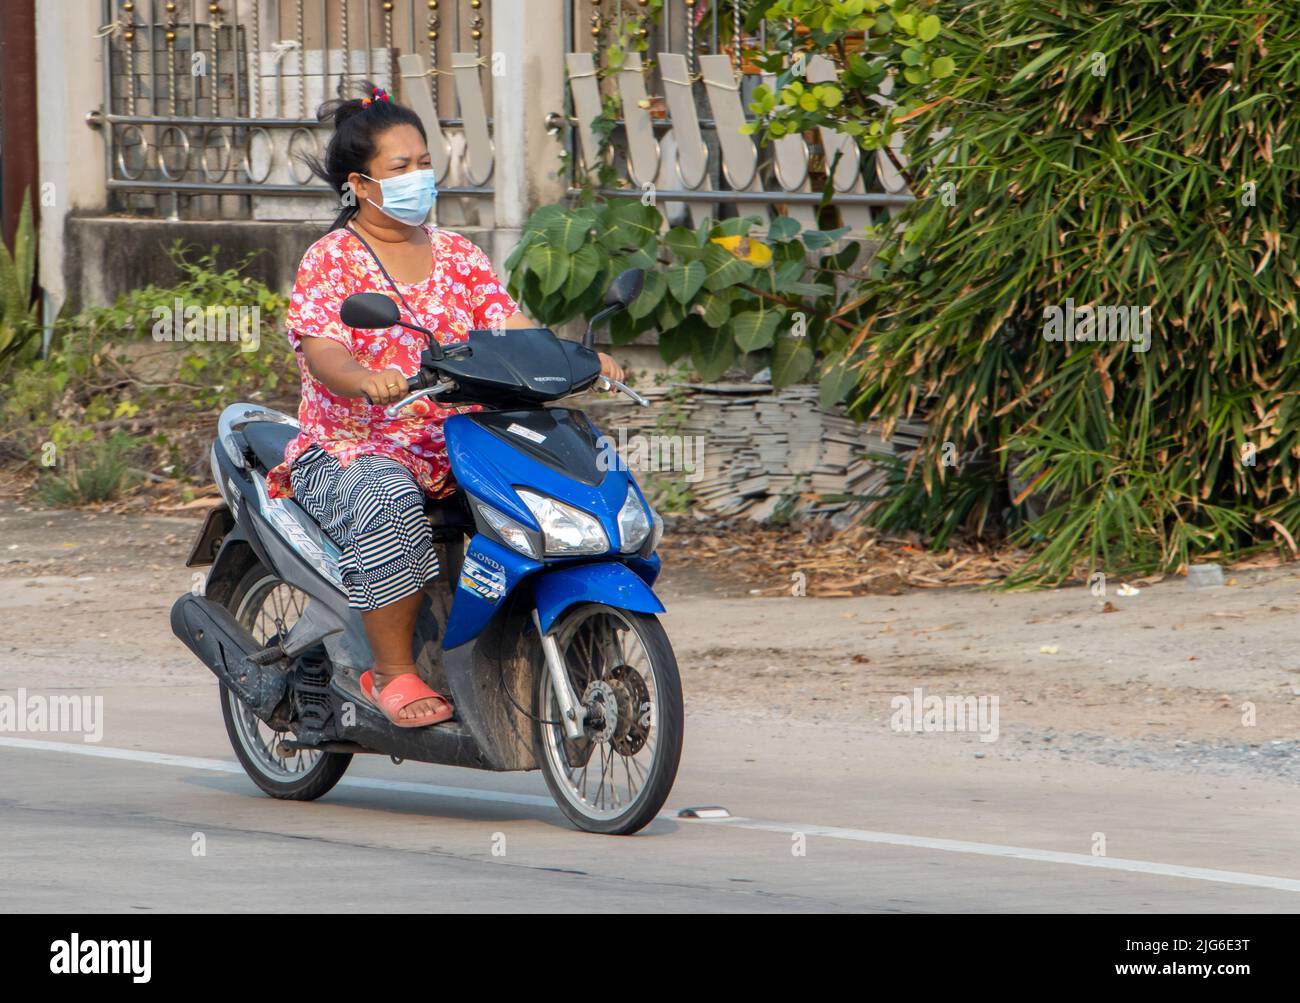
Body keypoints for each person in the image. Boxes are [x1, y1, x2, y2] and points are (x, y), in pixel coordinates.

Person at [267, 83, 625, 728]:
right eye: (400, 167)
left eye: (424, 162)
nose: (419, 176)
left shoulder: (456, 252)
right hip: (354, 447)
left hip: (461, 439)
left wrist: (574, 358)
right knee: (383, 496)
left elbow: (510, 323)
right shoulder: (333, 260)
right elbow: (322, 350)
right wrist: (364, 376)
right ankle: (394, 671)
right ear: (361, 182)